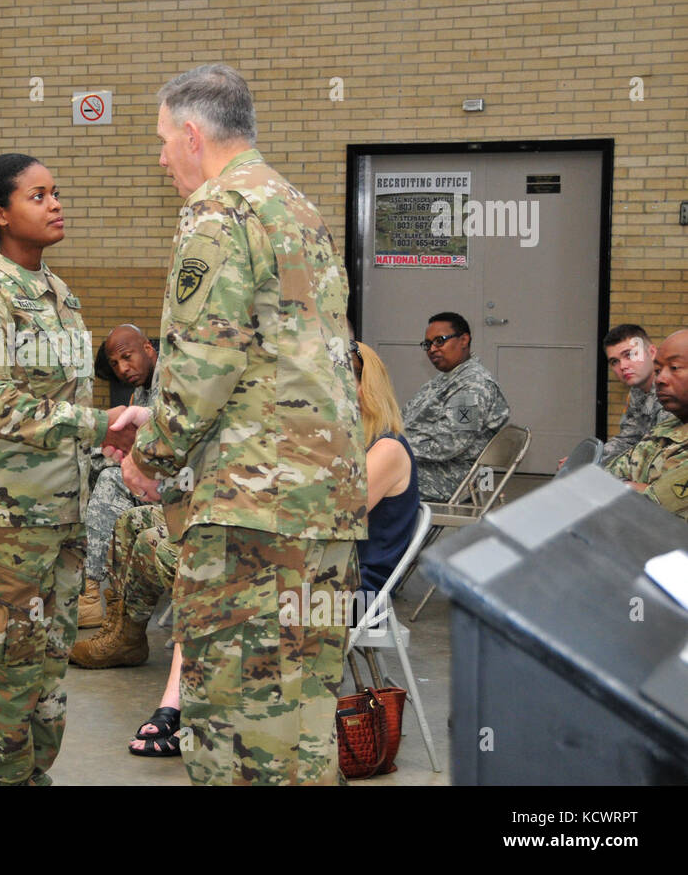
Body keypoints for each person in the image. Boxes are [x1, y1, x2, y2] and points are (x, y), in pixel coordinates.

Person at [111, 65, 367, 785]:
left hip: (253, 510)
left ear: (192, 135)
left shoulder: (219, 214)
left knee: (233, 722)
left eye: (163, 141)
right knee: (301, 714)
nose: (161, 158)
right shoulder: (298, 209)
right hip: (324, 503)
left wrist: (151, 458)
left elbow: (201, 363)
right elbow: (284, 356)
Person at [0, 153, 135, 785]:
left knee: (46, 693)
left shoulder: (57, 294)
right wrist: (98, 426)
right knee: (0, 693)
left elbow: (64, 400)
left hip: (57, 518)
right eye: (38, 195)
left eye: (56, 192)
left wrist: (106, 444)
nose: (55, 204)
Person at [127, 340, 417, 758]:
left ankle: (189, 712)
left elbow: (325, 520)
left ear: (363, 389)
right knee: (208, 574)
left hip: (352, 591)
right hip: (314, 573)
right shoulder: (334, 446)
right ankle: (179, 707)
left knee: (222, 585)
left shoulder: (386, 448)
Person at [80, 324, 158, 628]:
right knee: (87, 464)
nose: (123, 369)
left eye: (128, 357)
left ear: (148, 349)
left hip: (185, 481)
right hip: (155, 474)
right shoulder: (142, 389)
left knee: (110, 481)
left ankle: (92, 593)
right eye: (115, 364)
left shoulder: (173, 379)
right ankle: (87, 578)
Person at [402, 312, 510, 501]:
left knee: (361, 476)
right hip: (431, 467)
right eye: (428, 344)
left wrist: (395, 446)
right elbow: (403, 420)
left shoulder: (471, 386)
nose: (432, 349)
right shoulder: (445, 380)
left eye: (439, 341)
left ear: (463, 340)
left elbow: (452, 442)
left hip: (456, 478)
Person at [70, 503, 176, 668]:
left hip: (221, 527)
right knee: (131, 519)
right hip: (202, 510)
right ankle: (117, 626)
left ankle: (130, 636)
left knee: (147, 541)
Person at [353, 341, 421, 594]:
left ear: (367, 386)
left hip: (359, 594)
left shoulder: (387, 449)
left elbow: (333, 521)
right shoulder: (355, 440)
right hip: (332, 581)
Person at [605, 329, 688, 520]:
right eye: (614, 362)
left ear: (651, 353)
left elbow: (655, 503)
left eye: (674, 368)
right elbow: (630, 445)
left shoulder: (673, 403)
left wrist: (638, 487)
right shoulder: (640, 394)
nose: (660, 379)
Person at [600, 324, 676, 464]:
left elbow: (661, 453)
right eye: (615, 361)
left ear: (652, 352)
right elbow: (629, 438)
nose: (622, 366)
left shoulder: (673, 390)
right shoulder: (637, 391)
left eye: (629, 355)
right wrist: (591, 459)